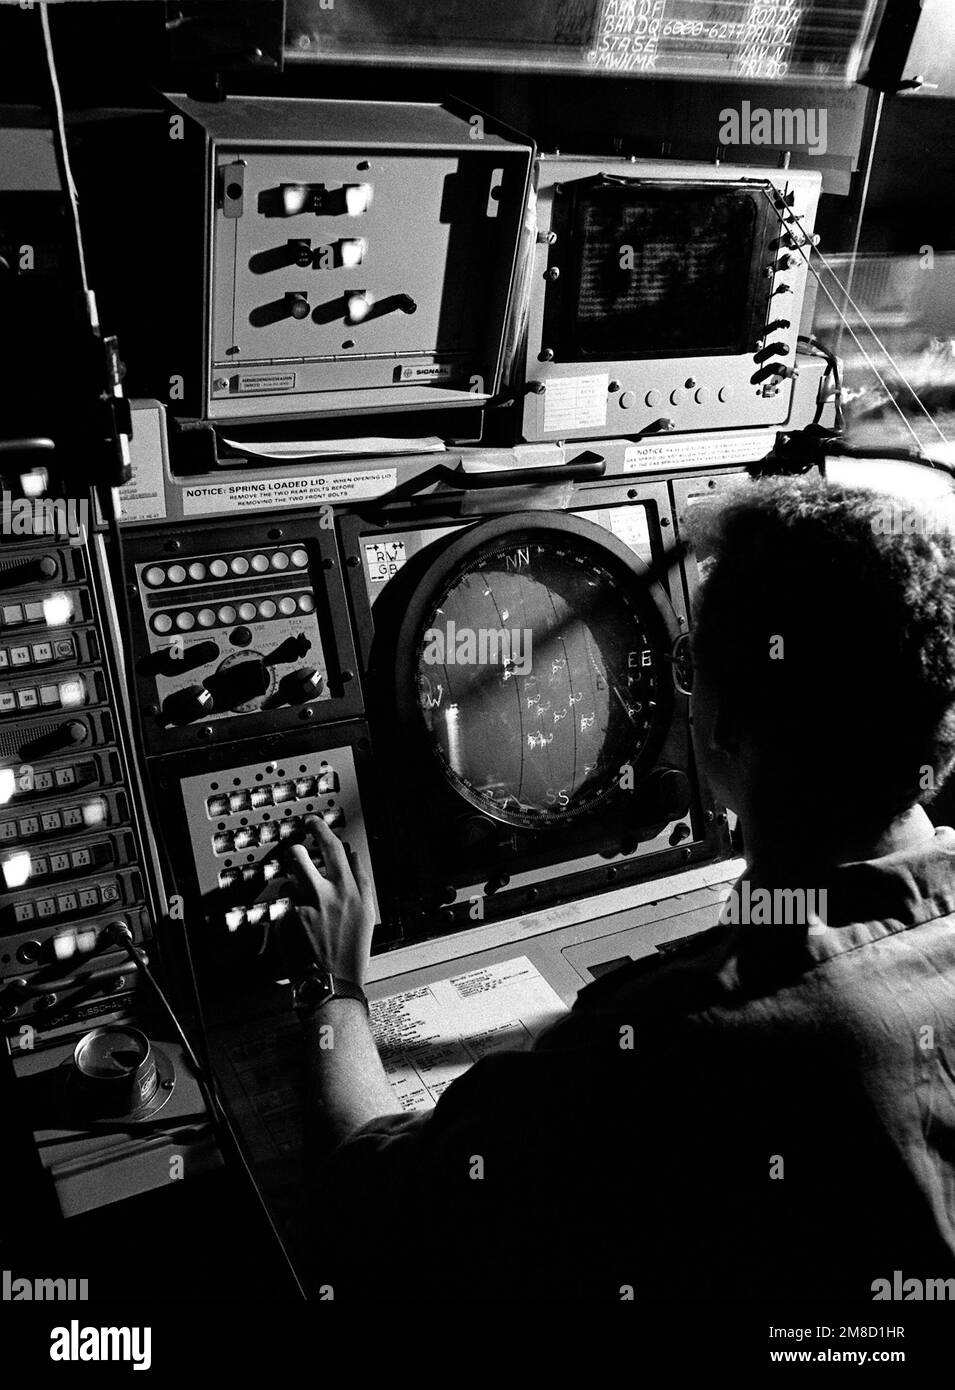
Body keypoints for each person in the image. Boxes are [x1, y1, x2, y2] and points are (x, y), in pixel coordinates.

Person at [285, 475, 955, 1301]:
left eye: (690, 661)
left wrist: (336, 987)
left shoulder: (667, 1045)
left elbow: (368, 1202)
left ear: (723, 723)